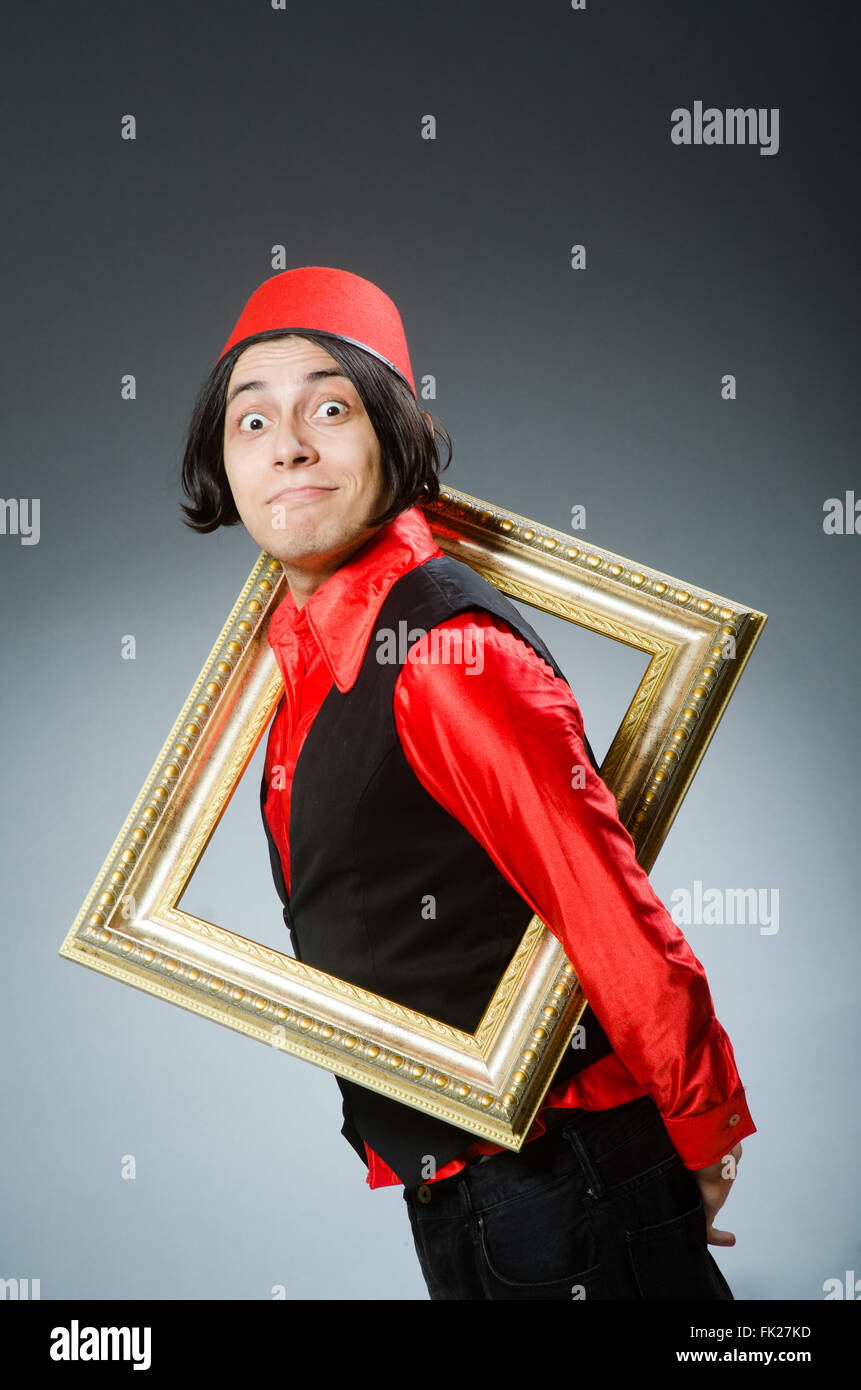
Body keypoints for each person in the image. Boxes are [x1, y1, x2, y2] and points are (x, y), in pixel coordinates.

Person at [179, 265, 755, 1300]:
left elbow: (607, 907)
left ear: (394, 432)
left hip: (569, 1172)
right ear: (223, 462)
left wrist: (703, 1123)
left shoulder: (446, 652)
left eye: (330, 407)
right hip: (463, 1184)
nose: (290, 445)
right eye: (251, 421)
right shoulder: (293, 654)